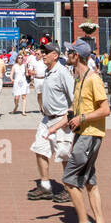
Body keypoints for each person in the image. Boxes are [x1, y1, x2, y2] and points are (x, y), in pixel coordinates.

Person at [47, 41, 111, 223]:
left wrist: (82, 119)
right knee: (90, 181)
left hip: (90, 135)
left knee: (68, 178)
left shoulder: (93, 79)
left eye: (69, 52)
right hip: (83, 134)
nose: (66, 54)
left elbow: (105, 110)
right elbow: (74, 113)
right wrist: (53, 128)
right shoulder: (78, 79)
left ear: (77, 56)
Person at [27, 41, 74, 204]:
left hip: (61, 120)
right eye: (42, 52)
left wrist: (70, 116)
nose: (43, 55)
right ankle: (45, 186)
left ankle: (69, 189)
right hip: (46, 119)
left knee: (64, 155)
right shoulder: (48, 71)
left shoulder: (63, 73)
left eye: (47, 52)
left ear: (55, 55)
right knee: (40, 149)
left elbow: (74, 97)